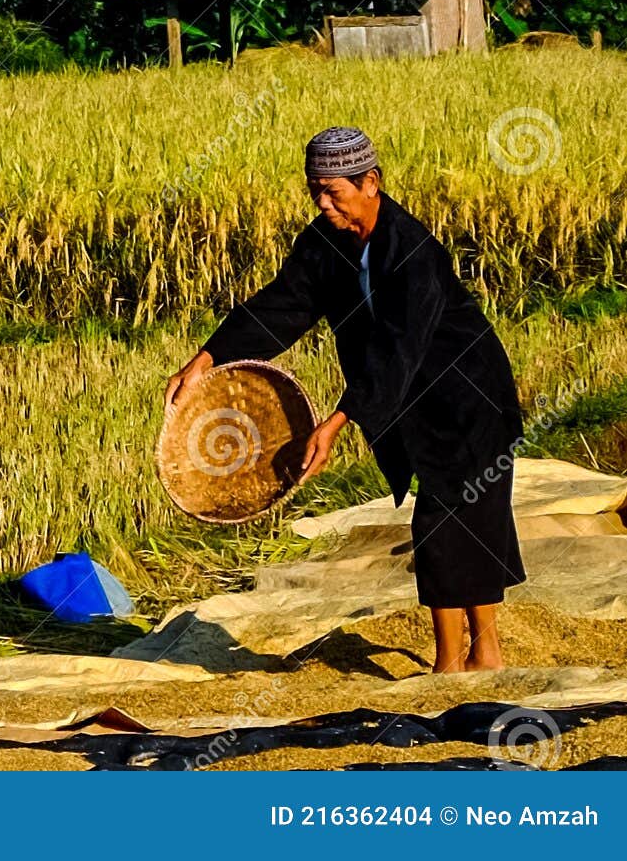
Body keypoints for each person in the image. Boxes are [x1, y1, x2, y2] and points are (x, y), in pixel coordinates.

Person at [165, 125, 526, 675]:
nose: (322, 202)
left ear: (371, 183)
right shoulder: (324, 244)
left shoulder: (414, 251)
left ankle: (461, 659)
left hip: (465, 396)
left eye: (333, 191)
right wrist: (209, 356)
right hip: (408, 398)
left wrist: (336, 421)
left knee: (455, 517)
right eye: (315, 190)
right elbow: (281, 307)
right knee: (456, 515)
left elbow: (399, 348)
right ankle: (476, 653)